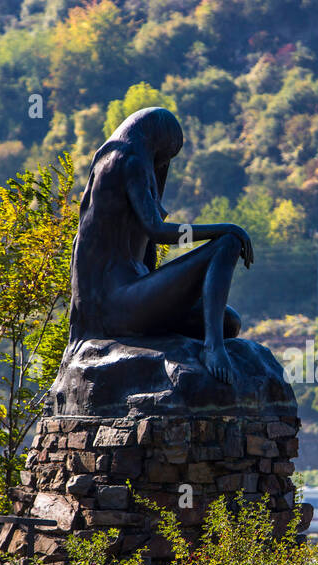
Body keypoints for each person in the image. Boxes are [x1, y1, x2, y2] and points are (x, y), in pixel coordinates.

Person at [67, 107, 253, 382]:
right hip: (119, 304)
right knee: (227, 243)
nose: (164, 164)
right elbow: (158, 230)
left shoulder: (115, 160)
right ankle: (213, 348)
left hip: (131, 296)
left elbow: (148, 244)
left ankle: (212, 340)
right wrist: (225, 228)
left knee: (229, 321)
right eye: (166, 156)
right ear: (158, 142)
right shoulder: (128, 160)